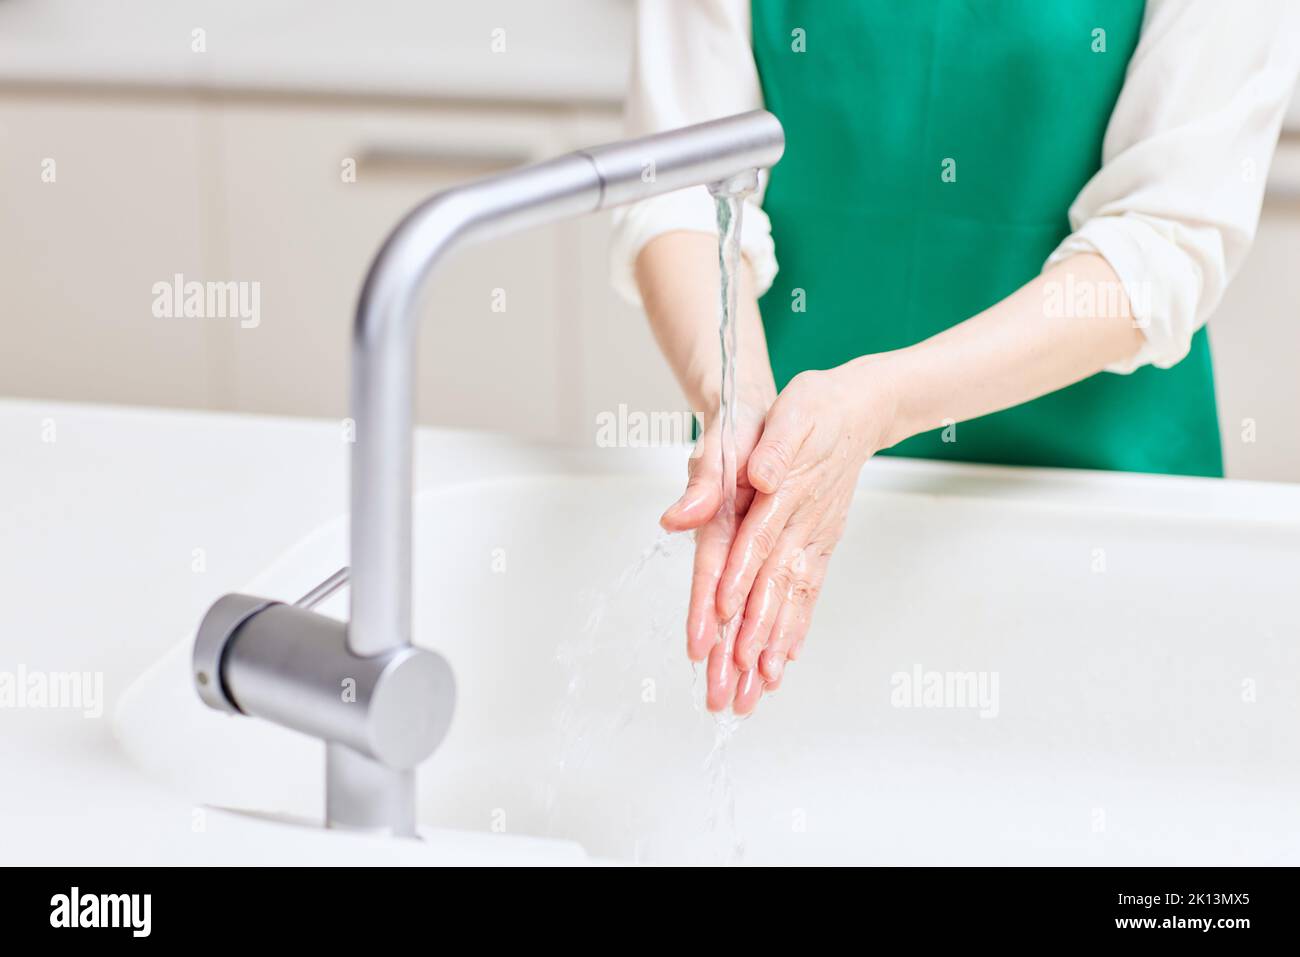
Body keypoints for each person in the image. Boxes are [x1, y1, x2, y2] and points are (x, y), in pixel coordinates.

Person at [610, 0, 1300, 715]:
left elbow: (1163, 238)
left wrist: (879, 402)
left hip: (1105, 501)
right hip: (792, 496)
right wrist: (738, 400)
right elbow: (679, 186)